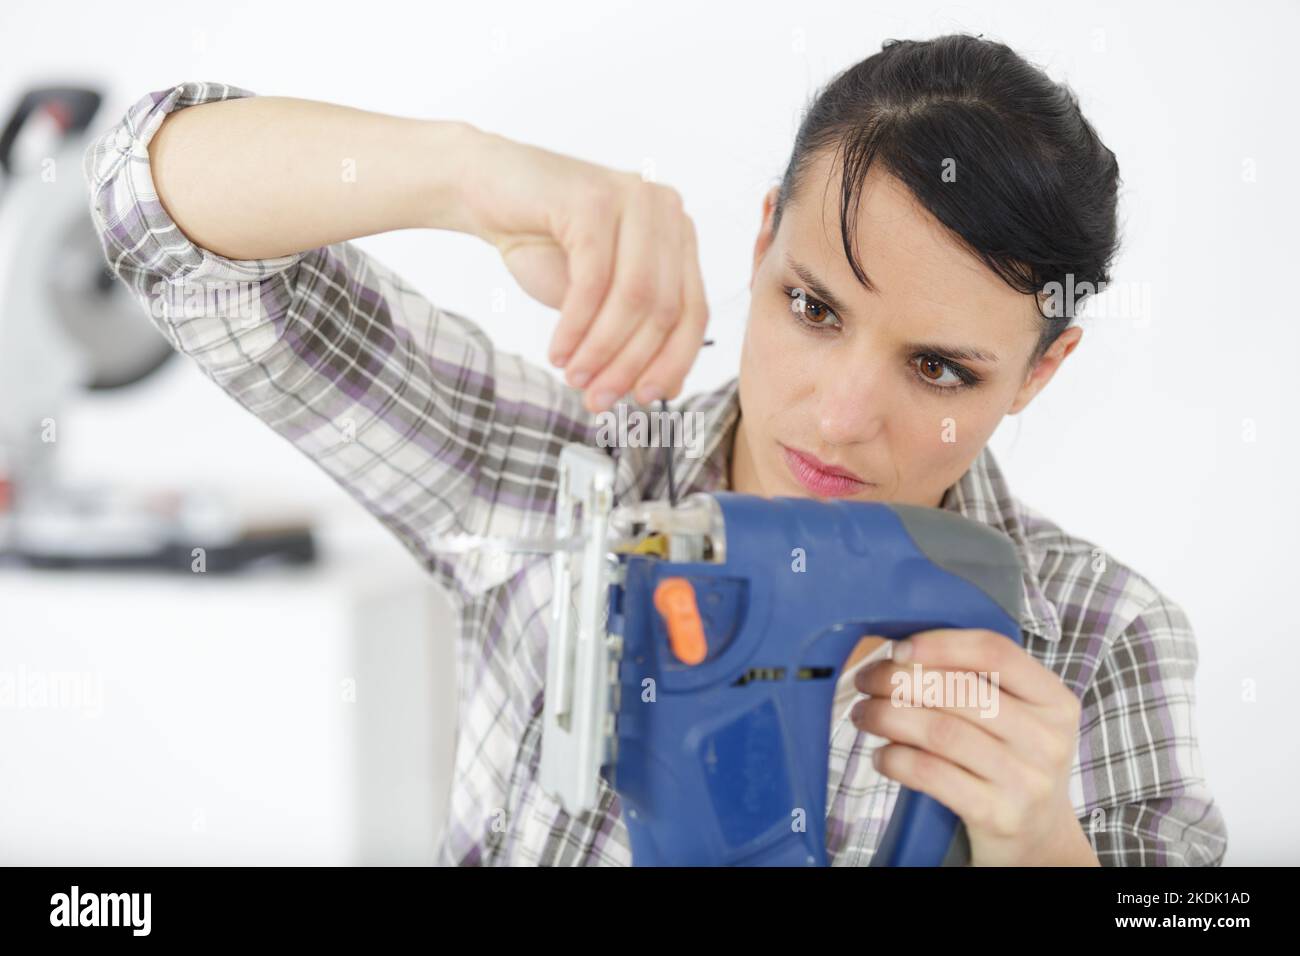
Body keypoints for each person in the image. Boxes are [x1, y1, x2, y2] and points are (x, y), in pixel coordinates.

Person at [84, 34, 1227, 866]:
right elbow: (149, 207)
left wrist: (1038, 845)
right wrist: (468, 175)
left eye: (938, 367)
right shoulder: (558, 476)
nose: (836, 416)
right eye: (813, 307)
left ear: (1042, 368)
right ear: (762, 237)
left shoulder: (1096, 632)